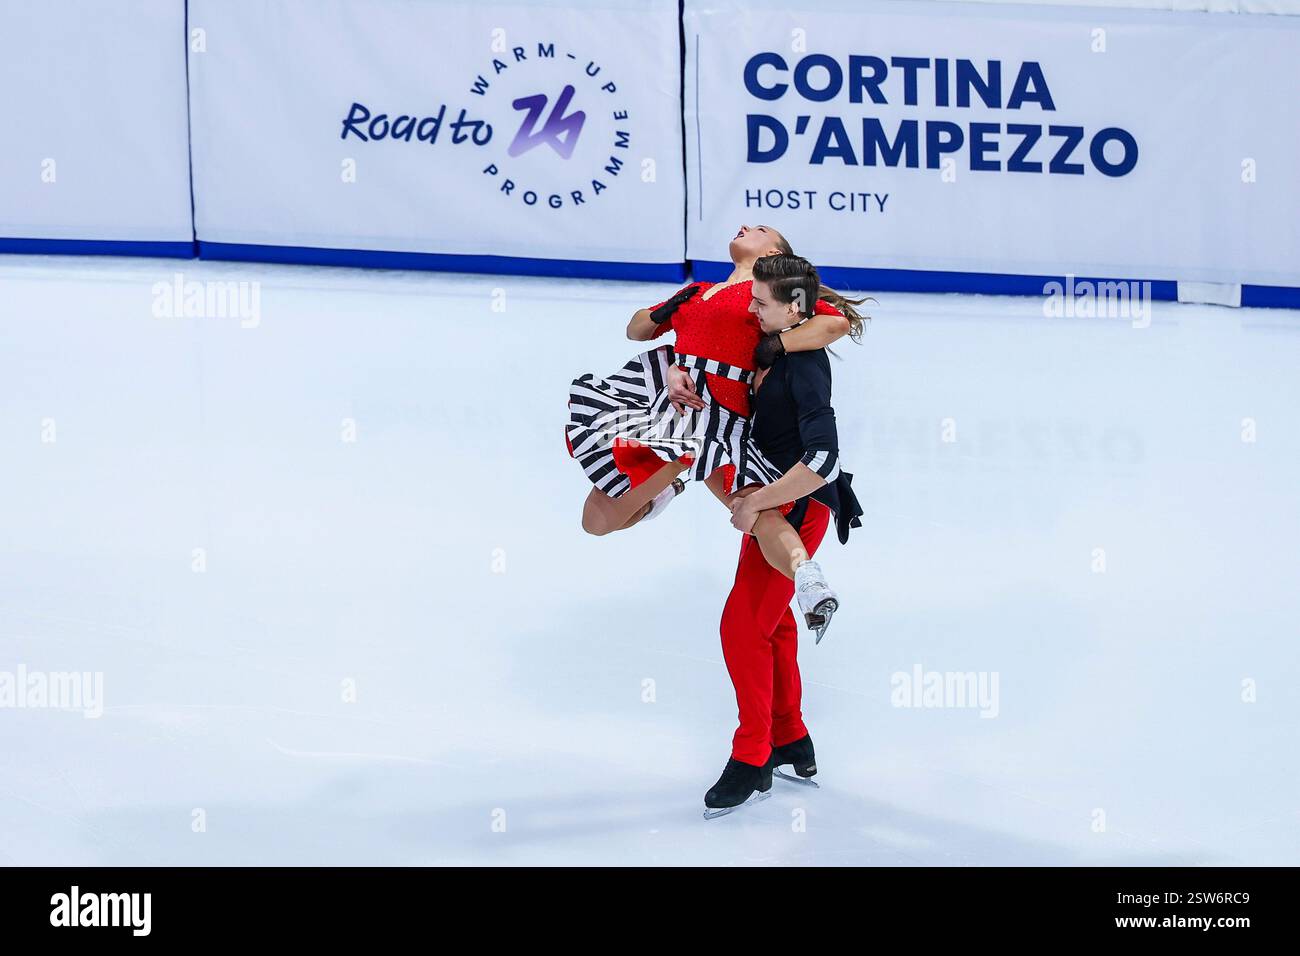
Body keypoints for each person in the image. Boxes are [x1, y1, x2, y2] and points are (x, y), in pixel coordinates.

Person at [699, 253, 866, 819]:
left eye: (760, 302)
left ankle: (752, 758)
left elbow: (822, 458)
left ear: (794, 307)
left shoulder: (806, 364)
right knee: (771, 624)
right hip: (777, 498)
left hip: (801, 506)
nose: (751, 307)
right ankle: (791, 736)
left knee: (742, 626)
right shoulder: (775, 341)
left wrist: (754, 502)